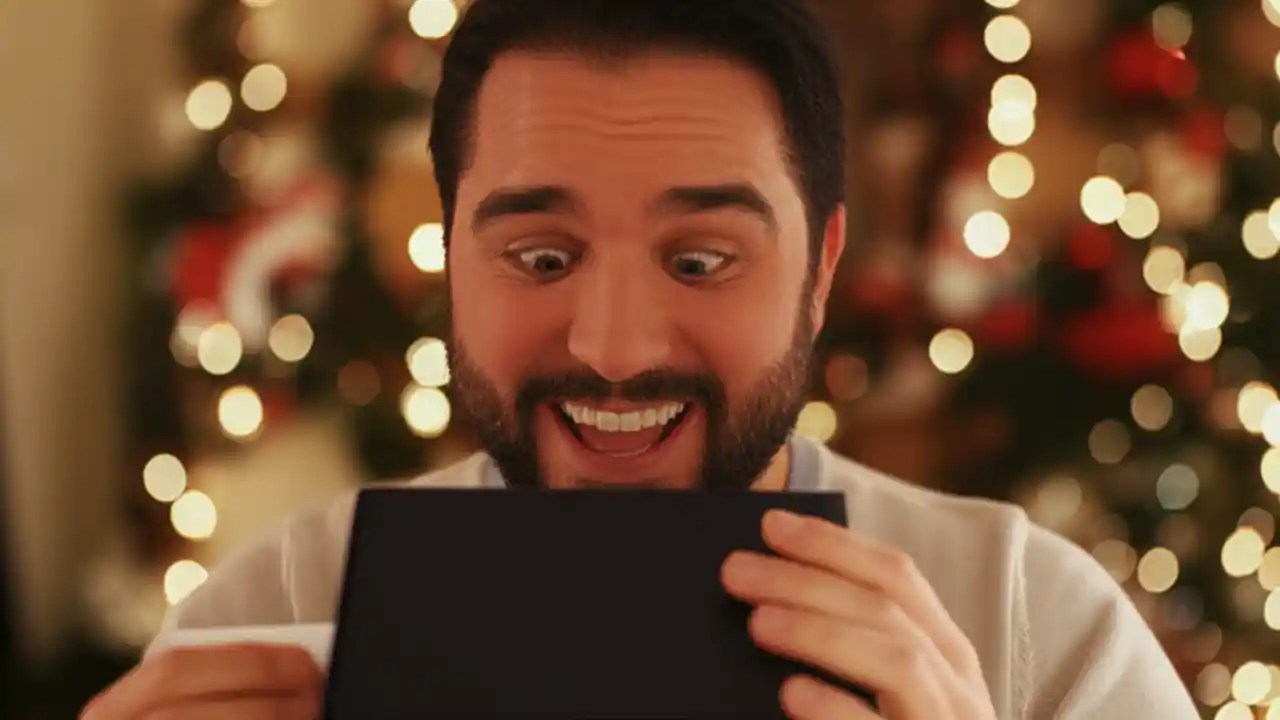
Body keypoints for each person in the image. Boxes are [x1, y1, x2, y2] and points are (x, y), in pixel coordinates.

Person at [82, 0, 1200, 718]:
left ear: (819, 271)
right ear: (450, 262)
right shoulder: (276, 615)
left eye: (703, 259)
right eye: (539, 254)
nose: (612, 349)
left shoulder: (1033, 635)